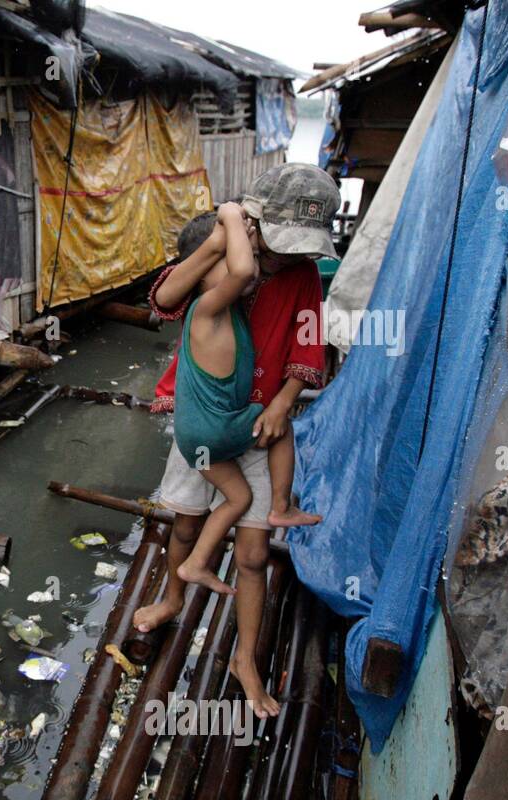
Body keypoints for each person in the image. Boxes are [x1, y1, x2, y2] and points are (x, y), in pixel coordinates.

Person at [135, 163, 339, 719]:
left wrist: (282, 402)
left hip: (258, 423)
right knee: (184, 522)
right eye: (277, 243)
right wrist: (223, 236)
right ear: (254, 221)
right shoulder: (221, 260)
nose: (288, 257)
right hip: (202, 417)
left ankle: (245, 659)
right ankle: (174, 598)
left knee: (252, 554)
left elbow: (308, 348)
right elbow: (163, 301)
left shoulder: (302, 277)